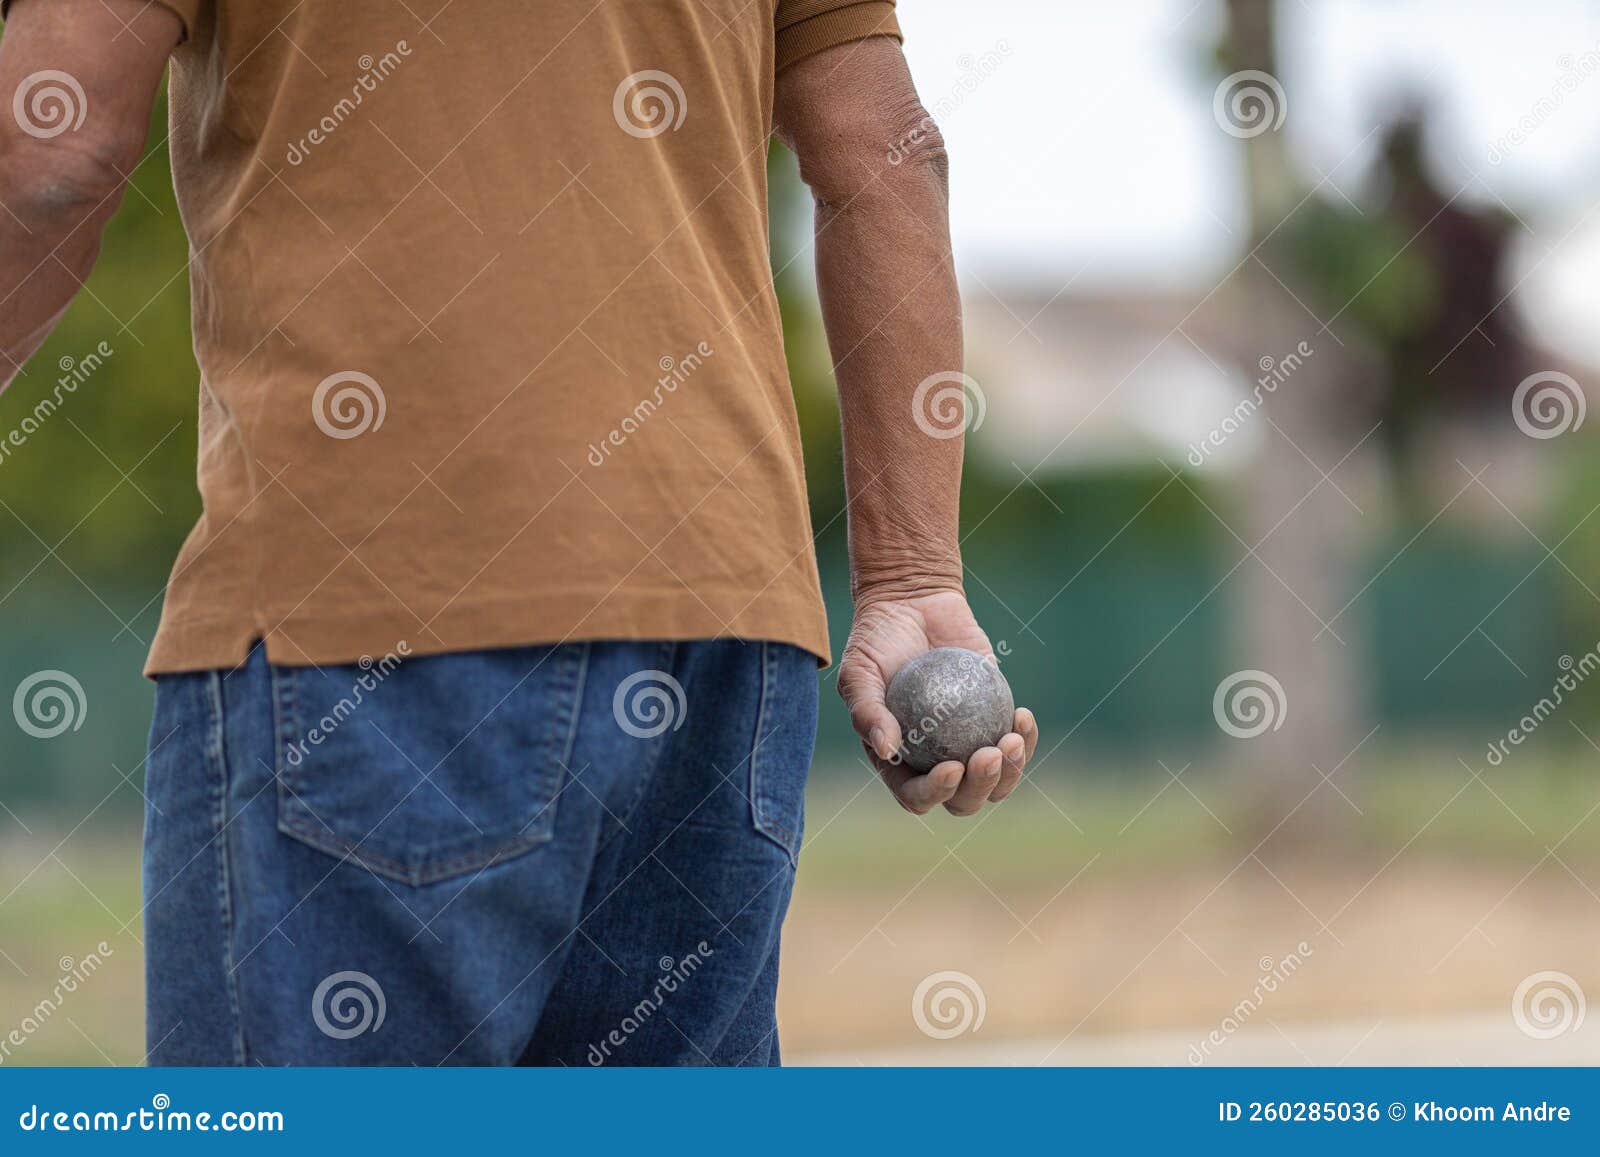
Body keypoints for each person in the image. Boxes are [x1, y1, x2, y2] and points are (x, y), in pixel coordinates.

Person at [0, 0, 1038, 1065]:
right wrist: (910, 575)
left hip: (373, 610)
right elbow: (885, 151)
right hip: (724, 625)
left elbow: (55, 153)